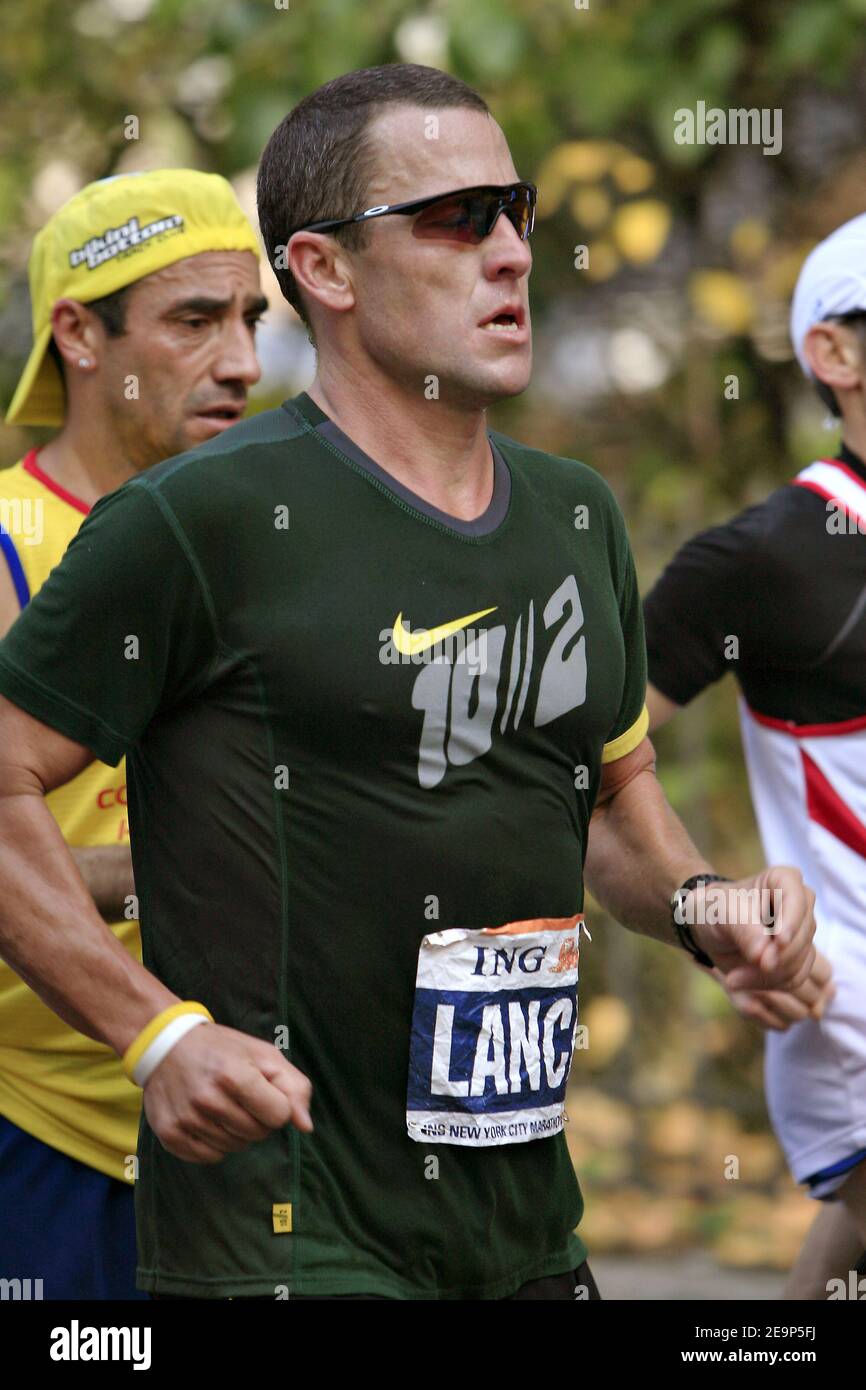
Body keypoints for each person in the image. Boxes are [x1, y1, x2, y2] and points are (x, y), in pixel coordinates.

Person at [0, 64, 820, 1302]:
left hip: (527, 1231)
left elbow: (605, 801)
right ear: (323, 270)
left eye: (516, 212)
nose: (508, 254)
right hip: (285, 1238)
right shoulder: (201, 516)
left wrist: (709, 907)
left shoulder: (575, 514)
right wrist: (153, 1032)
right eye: (454, 217)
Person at [0, 168, 264, 1298]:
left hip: (253, 1118)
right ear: (79, 334)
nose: (244, 362)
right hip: (44, 1124)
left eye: (252, 318)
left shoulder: (265, 535)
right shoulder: (10, 546)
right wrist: (186, 873)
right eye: (195, 321)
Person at [643, 212, 866, 1299]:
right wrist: (715, 910)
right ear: (833, 354)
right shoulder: (765, 560)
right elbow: (576, 763)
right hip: (844, 996)